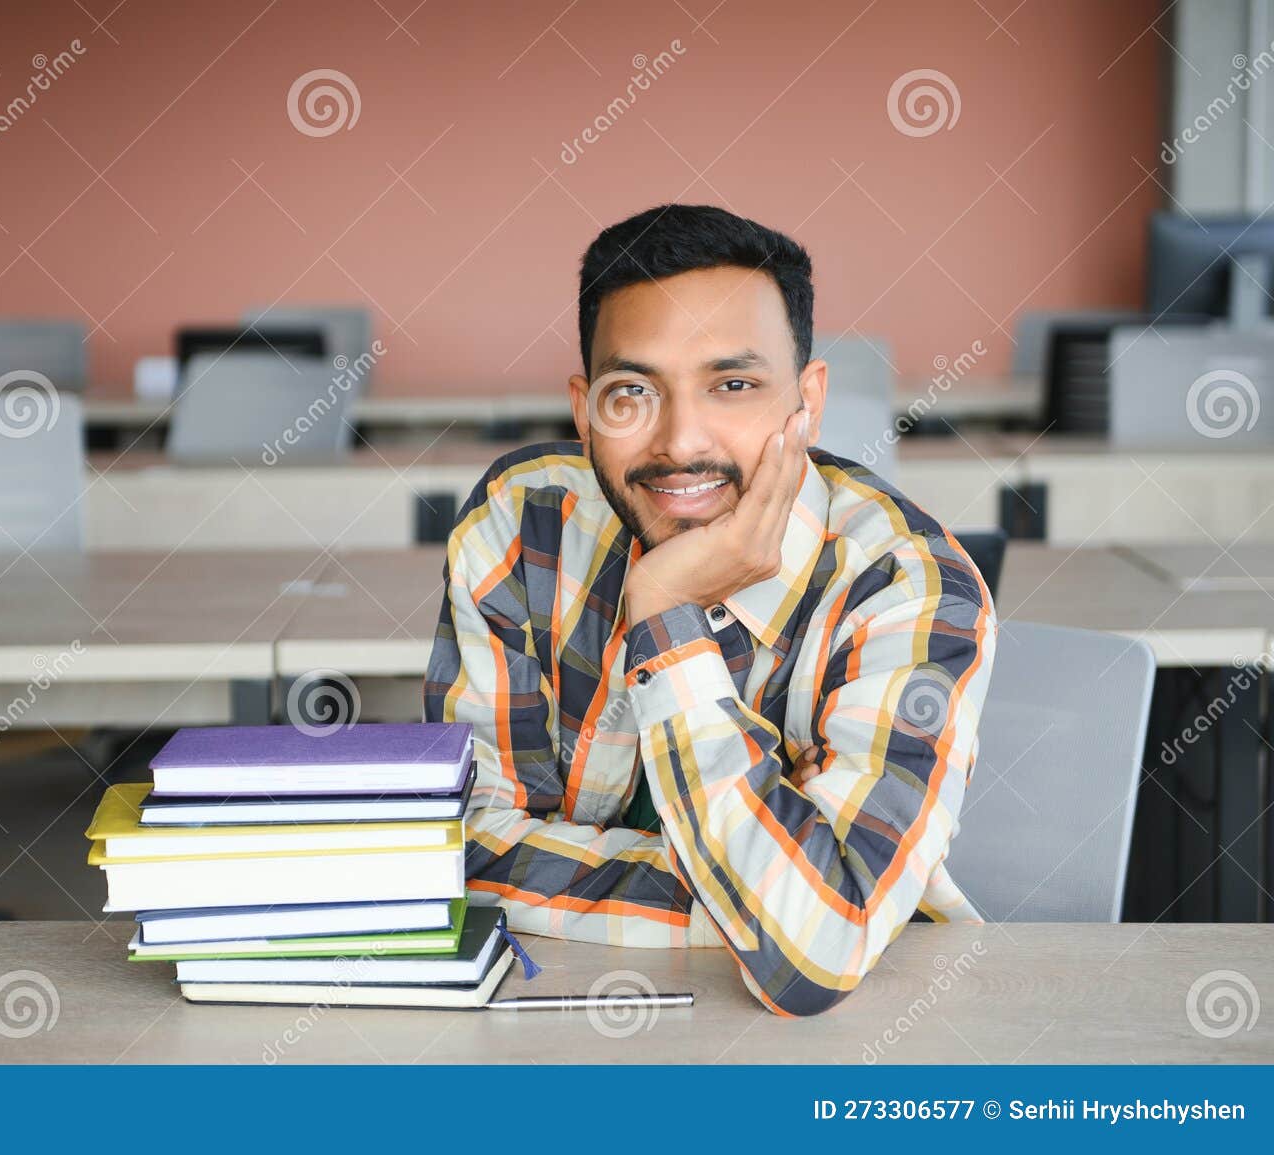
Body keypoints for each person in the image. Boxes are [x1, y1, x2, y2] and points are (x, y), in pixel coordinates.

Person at [423, 203, 997, 1016]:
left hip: (859, 1050)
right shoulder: (521, 526)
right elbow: (460, 846)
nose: (682, 440)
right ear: (585, 409)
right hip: (554, 1017)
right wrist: (761, 897)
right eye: (633, 392)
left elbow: (816, 955)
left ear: (809, 399)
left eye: (733, 384)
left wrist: (663, 611)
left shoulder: (907, 586)